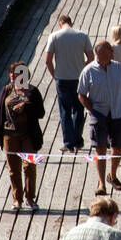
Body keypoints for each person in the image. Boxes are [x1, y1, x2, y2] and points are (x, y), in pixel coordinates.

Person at [77, 39, 121, 195]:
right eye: (110, 50)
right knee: (100, 148)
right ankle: (101, 183)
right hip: (99, 114)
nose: (112, 53)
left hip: (118, 112)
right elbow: (81, 94)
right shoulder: (88, 71)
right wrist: (92, 110)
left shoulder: (119, 68)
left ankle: (112, 175)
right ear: (99, 52)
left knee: (119, 146)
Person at [0, 61, 46, 211]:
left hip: (28, 134)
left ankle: (30, 198)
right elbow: (0, 115)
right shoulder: (6, 90)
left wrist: (26, 106)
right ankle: (17, 200)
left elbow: (41, 113)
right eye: (11, 74)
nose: (12, 76)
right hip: (9, 134)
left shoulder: (33, 92)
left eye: (16, 74)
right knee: (13, 168)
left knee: (29, 166)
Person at [43, 15, 94, 154]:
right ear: (71, 23)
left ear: (60, 24)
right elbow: (91, 57)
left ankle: (69, 143)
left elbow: (47, 60)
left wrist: (55, 74)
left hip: (62, 79)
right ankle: (78, 140)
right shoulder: (82, 36)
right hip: (78, 78)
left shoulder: (54, 36)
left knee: (65, 111)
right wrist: (82, 67)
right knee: (78, 109)